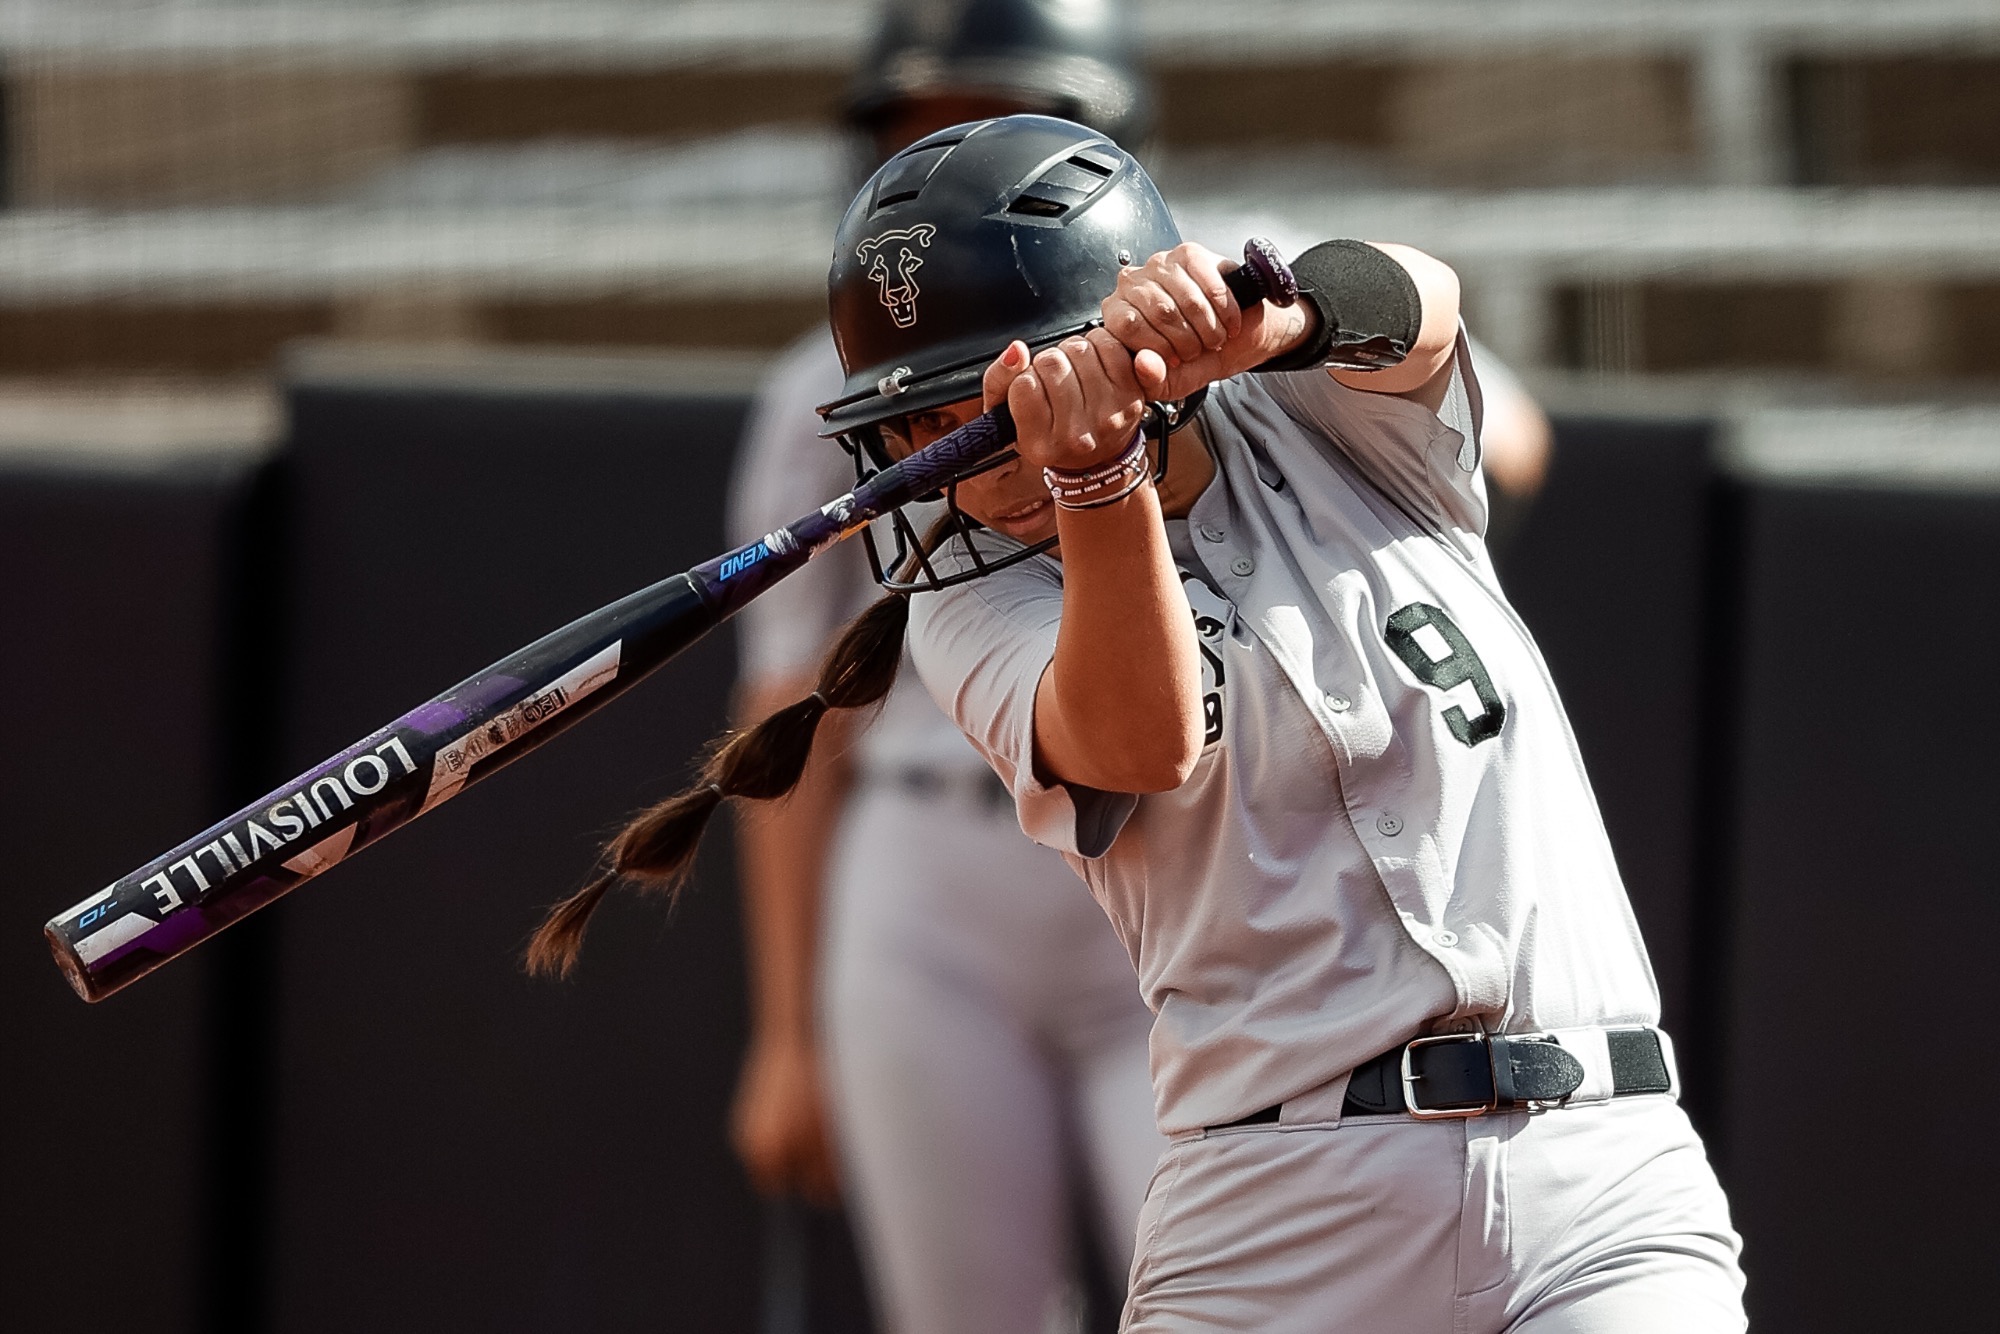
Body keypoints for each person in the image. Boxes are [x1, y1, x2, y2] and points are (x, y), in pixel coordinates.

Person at [528, 112, 1748, 1330]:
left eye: (968, 403)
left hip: (1598, 1178)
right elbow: (1139, 741)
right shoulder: (973, 602)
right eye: (905, 422)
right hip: (1281, 1218)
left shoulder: (1319, 423)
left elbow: (1421, 300)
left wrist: (1264, 319)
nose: (934, 450)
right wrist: (1093, 477)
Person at [726, 6, 1168, 1332]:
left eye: (1010, 119)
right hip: (930, 883)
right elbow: (790, 708)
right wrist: (789, 1031)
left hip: (1161, 884)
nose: (964, 162)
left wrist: (1350, 441)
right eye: (923, 130)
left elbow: (1495, 424)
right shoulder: (828, 383)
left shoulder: (1210, 320)